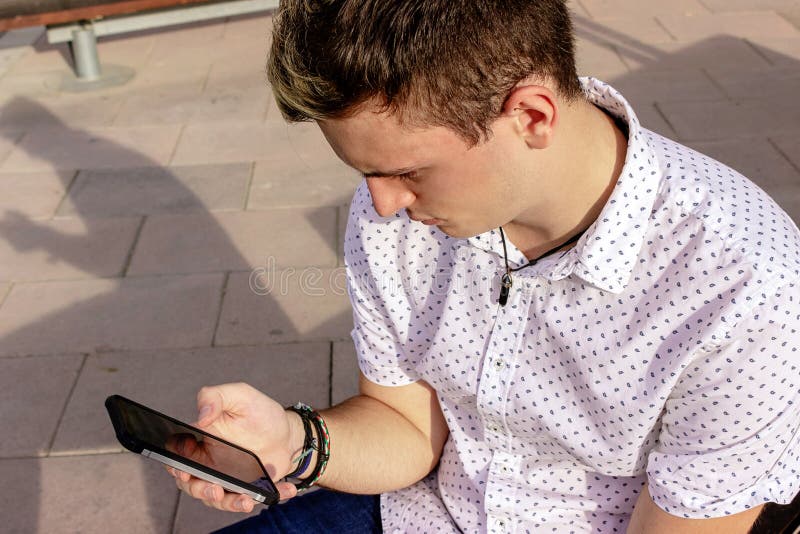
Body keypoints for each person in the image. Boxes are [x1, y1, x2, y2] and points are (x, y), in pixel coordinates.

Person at [166, 1, 800, 532]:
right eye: (366, 173)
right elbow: (408, 426)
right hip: (428, 514)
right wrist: (293, 444)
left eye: (407, 171)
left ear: (531, 116)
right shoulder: (394, 216)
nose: (383, 203)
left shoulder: (744, 284)